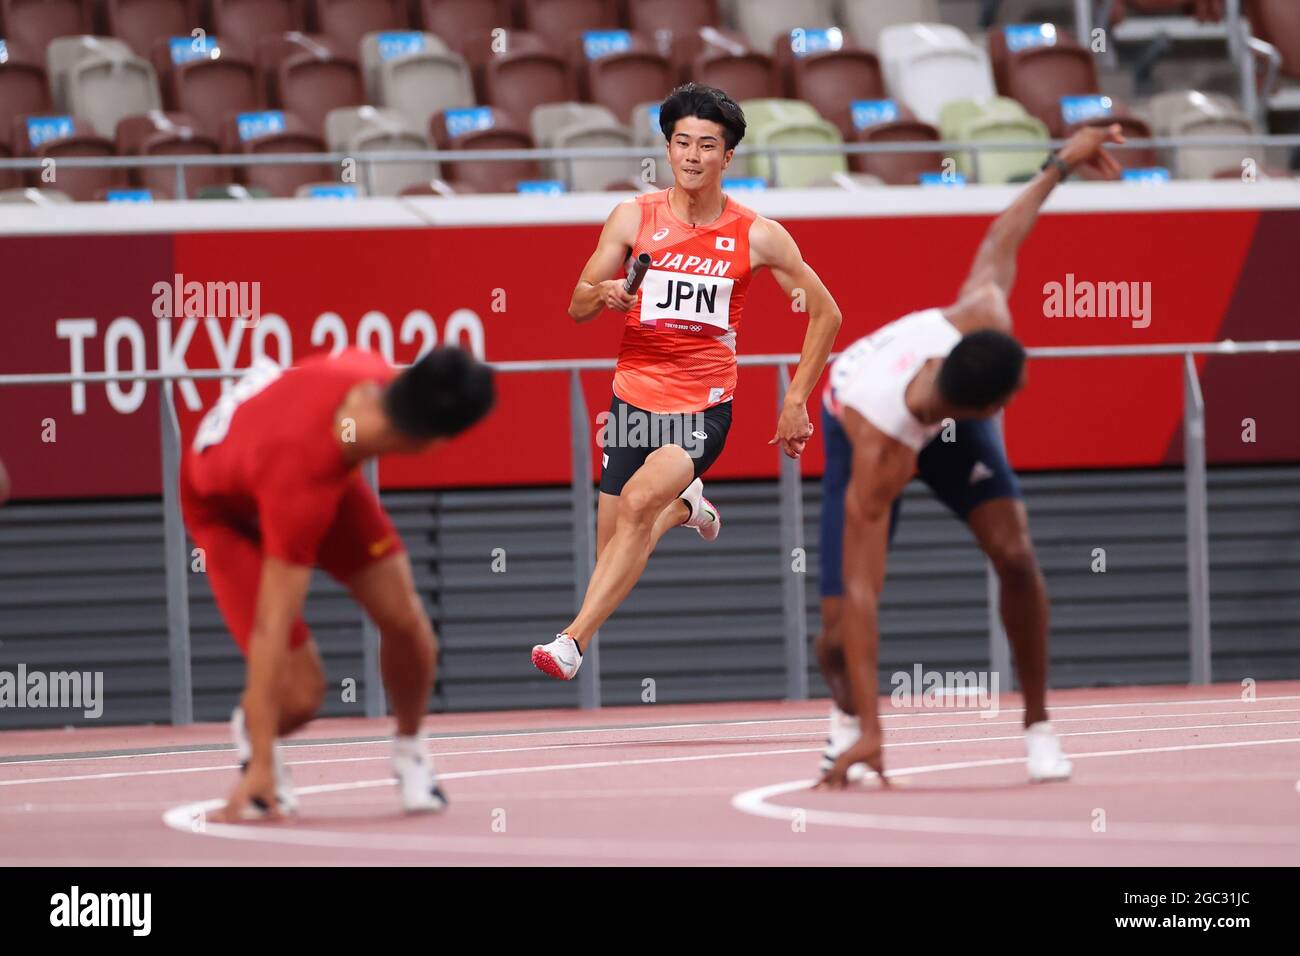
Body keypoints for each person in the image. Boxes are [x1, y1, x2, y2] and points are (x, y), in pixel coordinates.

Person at [817, 125, 1127, 788]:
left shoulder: (982, 315)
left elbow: (1002, 236)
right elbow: (866, 590)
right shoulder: (880, 447)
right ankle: (849, 721)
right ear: (984, 411)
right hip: (862, 419)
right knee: (837, 628)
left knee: (1015, 554)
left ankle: (1039, 726)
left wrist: (1058, 165)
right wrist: (877, 726)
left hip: (936, 402)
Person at [531, 83, 843, 680]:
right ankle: (689, 506)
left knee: (641, 504)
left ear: (728, 158)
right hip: (630, 400)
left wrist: (796, 400)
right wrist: (607, 294)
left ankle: (570, 642)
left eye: (707, 145)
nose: (692, 156)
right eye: (681, 143)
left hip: (702, 407)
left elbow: (826, 313)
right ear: (667, 149)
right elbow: (575, 306)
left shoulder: (757, 235)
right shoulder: (632, 218)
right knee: (617, 549)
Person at [181, 346, 495, 819]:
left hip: (303, 466)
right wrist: (261, 765)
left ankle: (410, 752)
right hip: (224, 510)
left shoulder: (368, 370)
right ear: (427, 444)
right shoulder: (299, 482)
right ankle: (254, 733)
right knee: (302, 695)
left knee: (405, 620)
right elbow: (271, 625)